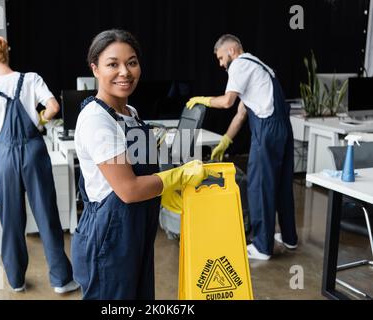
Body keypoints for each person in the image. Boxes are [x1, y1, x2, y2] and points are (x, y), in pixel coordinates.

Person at [72, 29, 215, 300]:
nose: (124, 72)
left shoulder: (130, 113)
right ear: (95, 69)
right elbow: (129, 189)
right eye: (113, 64)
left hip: (136, 231)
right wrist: (177, 177)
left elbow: (143, 172)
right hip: (110, 236)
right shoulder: (97, 120)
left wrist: (166, 187)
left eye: (132, 62)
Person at [0, 36, 79, 293]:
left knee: (10, 217)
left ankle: (16, 280)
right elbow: (54, 107)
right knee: (46, 213)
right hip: (34, 150)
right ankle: (61, 280)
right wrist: (38, 122)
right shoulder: (31, 79)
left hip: (5, 155)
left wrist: (7, 149)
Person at [186, 34, 298, 260]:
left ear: (231, 50)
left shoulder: (239, 64)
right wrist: (226, 140)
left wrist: (202, 99)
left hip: (266, 131)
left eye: (220, 57)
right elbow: (242, 112)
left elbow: (228, 102)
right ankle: (289, 238)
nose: (220, 64)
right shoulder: (259, 65)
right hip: (283, 129)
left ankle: (261, 246)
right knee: (283, 184)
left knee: (259, 185)